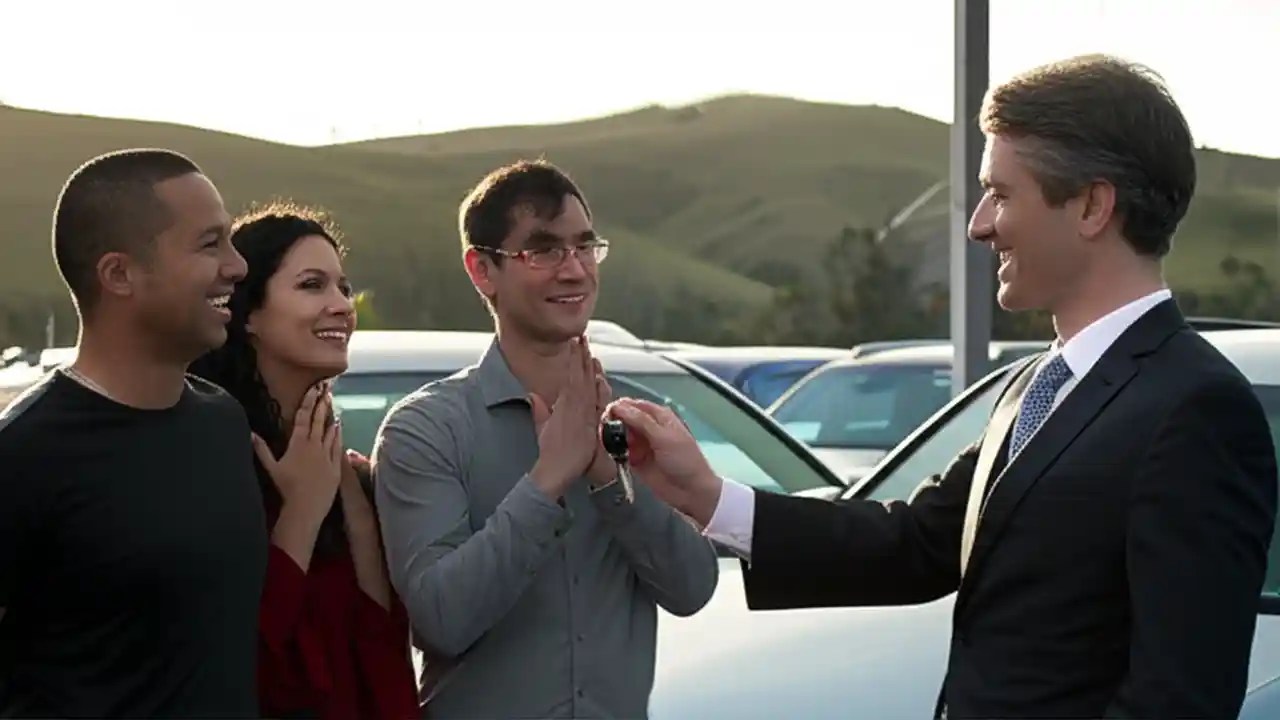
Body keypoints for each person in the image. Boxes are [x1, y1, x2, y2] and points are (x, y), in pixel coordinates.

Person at [606, 54, 1278, 720]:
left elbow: (1178, 701)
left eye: (1003, 193)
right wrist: (707, 494)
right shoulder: (1037, 384)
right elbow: (918, 543)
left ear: (1093, 205)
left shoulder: (1196, 411)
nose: (979, 223)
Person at [372, 159, 719, 719]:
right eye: (544, 250)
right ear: (482, 270)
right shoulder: (426, 430)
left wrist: (608, 478)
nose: (575, 270)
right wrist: (548, 479)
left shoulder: (636, 421)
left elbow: (693, 588)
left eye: (585, 247)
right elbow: (441, 620)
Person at [0, 149, 267, 717]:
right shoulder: (24, 456)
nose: (237, 266)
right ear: (119, 274)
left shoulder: (221, 422)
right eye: (209, 244)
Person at [188, 203, 419, 720]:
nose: (342, 305)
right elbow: (238, 667)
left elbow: (385, 660)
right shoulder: (207, 463)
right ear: (248, 313)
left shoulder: (353, 476)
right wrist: (302, 513)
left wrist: (355, 511)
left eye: (342, 286)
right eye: (312, 285)